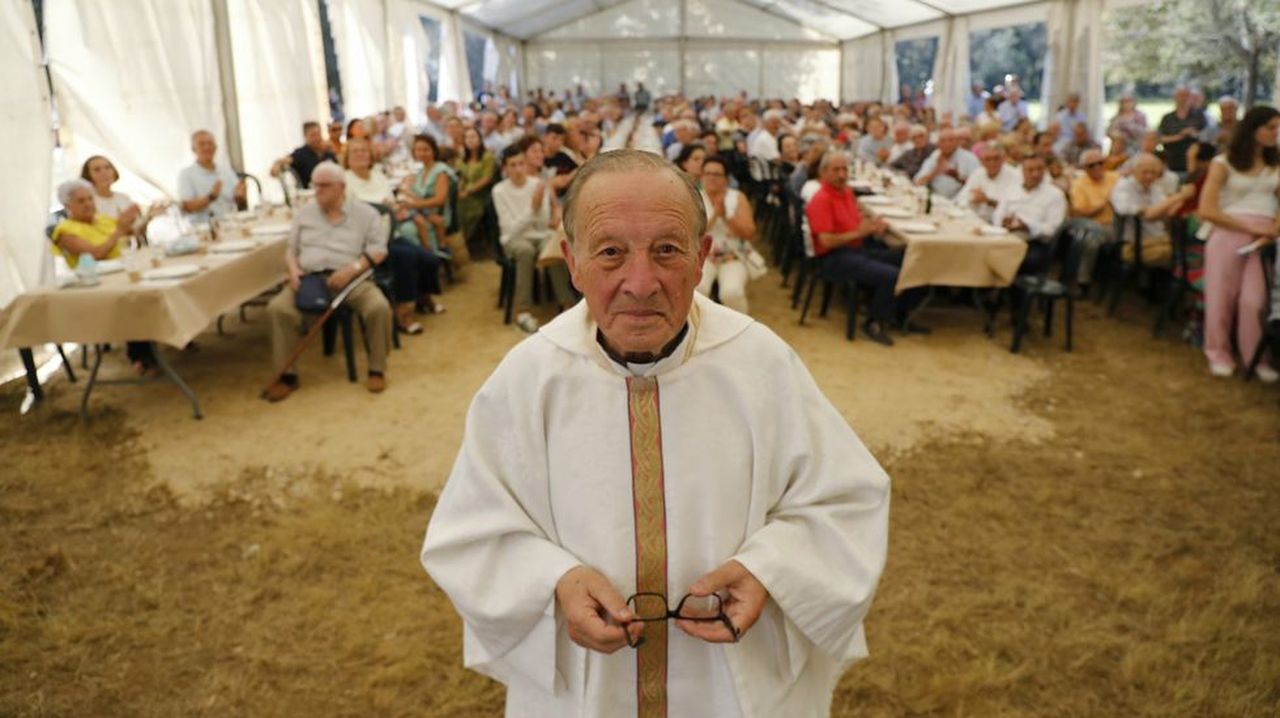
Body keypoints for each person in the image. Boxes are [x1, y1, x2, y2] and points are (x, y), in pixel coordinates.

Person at [421, 149, 890, 717]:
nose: (640, 283)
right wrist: (556, 582)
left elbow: (845, 503)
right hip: (590, 692)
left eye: (667, 251)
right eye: (611, 252)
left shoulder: (761, 364)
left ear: (702, 258)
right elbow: (470, 534)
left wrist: (769, 570)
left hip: (729, 685)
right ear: (571, 260)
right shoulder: (528, 380)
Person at [264, 162, 391, 400]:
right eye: (315, 185)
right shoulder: (304, 214)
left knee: (378, 307)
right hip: (309, 278)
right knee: (278, 309)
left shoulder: (365, 214)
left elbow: (379, 250)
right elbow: (291, 250)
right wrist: (293, 271)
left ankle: (377, 369)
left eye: (324, 186)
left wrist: (351, 269)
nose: (317, 191)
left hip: (352, 279)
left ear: (341, 187)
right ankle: (287, 376)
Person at [1195, 106, 1280, 381]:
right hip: (1228, 232)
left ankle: (1256, 357)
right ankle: (1218, 352)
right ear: (1253, 129)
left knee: (1254, 301)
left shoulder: (1276, 163)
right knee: (1221, 298)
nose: (1275, 133)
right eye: (1271, 127)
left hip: (1264, 238)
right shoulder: (1223, 162)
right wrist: (1248, 226)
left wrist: (1274, 227)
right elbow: (1206, 210)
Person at [807, 151, 927, 345]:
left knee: (912, 258)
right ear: (823, 172)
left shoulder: (845, 192)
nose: (841, 174)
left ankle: (901, 316)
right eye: (836, 170)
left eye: (845, 169)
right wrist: (860, 233)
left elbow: (855, 222)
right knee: (892, 275)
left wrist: (872, 227)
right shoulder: (821, 199)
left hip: (855, 249)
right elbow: (826, 241)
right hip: (833, 257)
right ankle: (873, 323)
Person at [52, 179, 153, 372]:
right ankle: (140, 355)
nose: (88, 204)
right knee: (135, 299)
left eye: (90, 199)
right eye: (81, 201)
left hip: (122, 277)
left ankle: (163, 342)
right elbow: (96, 254)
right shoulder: (65, 231)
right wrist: (118, 232)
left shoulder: (103, 220)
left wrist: (147, 217)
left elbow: (133, 233)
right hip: (96, 288)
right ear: (67, 206)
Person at [344, 137, 442, 334]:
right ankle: (402, 314)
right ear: (347, 157)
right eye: (355, 151)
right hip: (369, 241)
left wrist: (396, 208)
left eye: (364, 150)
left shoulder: (377, 175)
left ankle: (422, 297)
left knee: (430, 259)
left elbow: (390, 200)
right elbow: (351, 214)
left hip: (391, 232)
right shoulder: (345, 181)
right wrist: (385, 210)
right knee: (407, 257)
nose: (361, 154)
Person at [492, 145, 574, 333]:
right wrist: (532, 209)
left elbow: (543, 223)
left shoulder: (537, 184)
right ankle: (523, 311)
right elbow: (510, 230)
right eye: (513, 165)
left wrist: (536, 209)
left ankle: (567, 305)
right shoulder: (499, 190)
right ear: (505, 168)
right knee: (525, 251)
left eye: (521, 163)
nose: (518, 169)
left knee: (555, 246)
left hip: (538, 234)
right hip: (514, 239)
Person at [1109, 153, 1194, 268]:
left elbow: (1165, 208)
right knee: (1171, 252)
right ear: (1134, 170)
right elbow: (1131, 210)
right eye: (1145, 172)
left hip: (1157, 240)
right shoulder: (1123, 186)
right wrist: (1178, 197)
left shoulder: (1154, 188)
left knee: (1176, 248)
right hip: (1134, 245)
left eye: (1153, 173)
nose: (1149, 176)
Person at [695, 156, 757, 314]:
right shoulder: (695, 198)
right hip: (702, 256)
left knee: (731, 292)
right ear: (701, 175)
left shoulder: (737, 197)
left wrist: (726, 216)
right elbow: (693, 234)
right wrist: (716, 214)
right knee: (698, 289)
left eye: (717, 174)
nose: (711, 178)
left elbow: (749, 233)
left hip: (733, 255)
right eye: (707, 173)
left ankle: (739, 330)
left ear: (725, 178)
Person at [992, 154, 1067, 275]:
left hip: (1034, 242)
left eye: (1039, 169)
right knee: (983, 252)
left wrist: (1027, 226)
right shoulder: (1012, 189)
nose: (1035, 174)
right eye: (1030, 170)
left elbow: (1052, 229)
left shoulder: (1055, 195)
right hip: (1007, 237)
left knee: (1020, 260)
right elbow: (998, 214)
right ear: (1022, 171)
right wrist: (1003, 221)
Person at [1066, 149, 1121, 285]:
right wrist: (1105, 203)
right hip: (1094, 225)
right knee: (1091, 241)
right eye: (1091, 165)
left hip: (1120, 223)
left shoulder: (1115, 177)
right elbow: (1080, 214)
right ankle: (1083, 281)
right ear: (1084, 168)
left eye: (1100, 163)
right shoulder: (1079, 184)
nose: (1097, 167)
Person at [80, 155, 163, 235]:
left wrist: (149, 217)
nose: (104, 172)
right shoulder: (86, 202)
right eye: (97, 170)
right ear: (88, 176)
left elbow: (135, 231)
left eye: (107, 167)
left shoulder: (123, 198)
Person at [178, 130, 245, 224]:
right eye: (202, 144)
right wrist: (210, 197)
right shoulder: (186, 174)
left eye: (210, 144)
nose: (207, 147)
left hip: (230, 224)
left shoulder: (226, 170)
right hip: (203, 229)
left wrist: (240, 195)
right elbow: (187, 208)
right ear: (193, 149)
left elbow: (238, 201)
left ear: (216, 147)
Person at [954, 145, 1022, 222]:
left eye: (996, 158)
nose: (992, 162)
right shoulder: (978, 173)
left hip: (999, 222)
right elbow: (961, 197)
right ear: (981, 161)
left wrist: (987, 201)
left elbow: (1013, 209)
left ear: (1003, 159)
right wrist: (972, 198)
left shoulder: (1014, 176)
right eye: (987, 159)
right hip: (976, 218)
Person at [457, 127, 496, 247]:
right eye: (467, 137)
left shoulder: (487, 156)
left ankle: (464, 239)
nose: (470, 140)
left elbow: (487, 178)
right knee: (454, 203)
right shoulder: (464, 157)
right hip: (466, 192)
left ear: (480, 139)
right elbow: (463, 177)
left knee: (466, 208)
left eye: (473, 137)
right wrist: (459, 189)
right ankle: (458, 241)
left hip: (481, 194)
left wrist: (468, 191)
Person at [271, 121, 338, 190]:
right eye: (313, 135)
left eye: (318, 134)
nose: (317, 138)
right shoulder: (300, 154)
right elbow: (281, 162)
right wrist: (277, 165)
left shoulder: (328, 152)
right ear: (305, 137)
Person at [914, 129, 979, 199]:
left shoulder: (970, 158)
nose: (947, 144)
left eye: (950, 140)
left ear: (957, 142)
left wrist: (957, 177)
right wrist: (935, 171)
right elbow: (917, 182)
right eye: (943, 141)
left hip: (959, 201)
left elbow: (977, 186)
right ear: (938, 143)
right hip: (935, 199)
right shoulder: (935, 156)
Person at [1158, 87, 1207, 175]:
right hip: (1172, 160)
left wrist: (1193, 134)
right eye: (1180, 96)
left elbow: (1206, 136)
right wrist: (1181, 135)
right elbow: (1160, 138)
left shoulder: (1199, 115)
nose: (1183, 99)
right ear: (1175, 98)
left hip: (1193, 161)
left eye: (1186, 96)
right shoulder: (1167, 118)